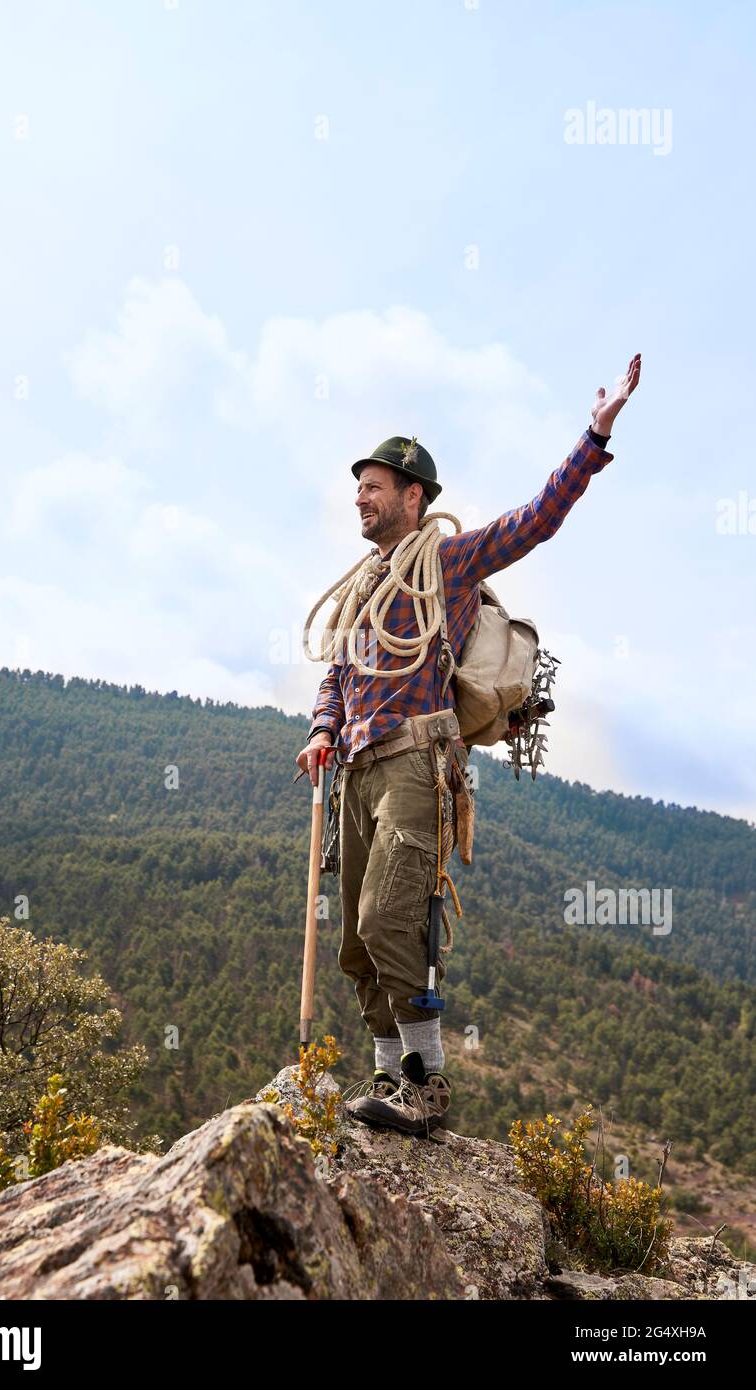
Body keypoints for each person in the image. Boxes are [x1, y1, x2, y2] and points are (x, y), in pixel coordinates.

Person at [295, 355, 641, 1135]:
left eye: (374, 484)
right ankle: (390, 1080)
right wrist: (321, 732)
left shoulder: (446, 562)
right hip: (355, 770)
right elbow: (336, 677)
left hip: (418, 760)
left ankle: (429, 1086)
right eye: (359, 485)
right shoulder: (361, 585)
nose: (361, 495)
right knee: (355, 942)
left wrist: (595, 434)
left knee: (392, 920)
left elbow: (536, 519)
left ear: (413, 497)